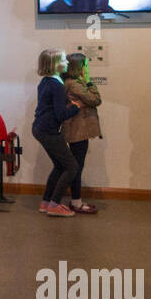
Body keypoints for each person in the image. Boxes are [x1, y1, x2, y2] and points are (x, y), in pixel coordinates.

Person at [32, 48, 81, 217]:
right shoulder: (56, 85)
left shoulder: (46, 81)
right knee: (72, 167)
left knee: (60, 166)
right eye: (63, 60)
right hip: (49, 131)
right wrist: (75, 107)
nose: (67, 62)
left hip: (40, 128)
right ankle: (54, 205)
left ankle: (46, 202)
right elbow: (61, 115)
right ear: (54, 65)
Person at [61, 52, 102, 214]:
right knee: (76, 167)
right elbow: (95, 100)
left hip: (79, 130)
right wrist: (91, 83)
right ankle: (76, 202)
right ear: (78, 67)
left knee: (77, 165)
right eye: (85, 65)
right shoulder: (74, 84)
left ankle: (75, 200)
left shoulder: (74, 83)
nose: (87, 68)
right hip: (77, 131)